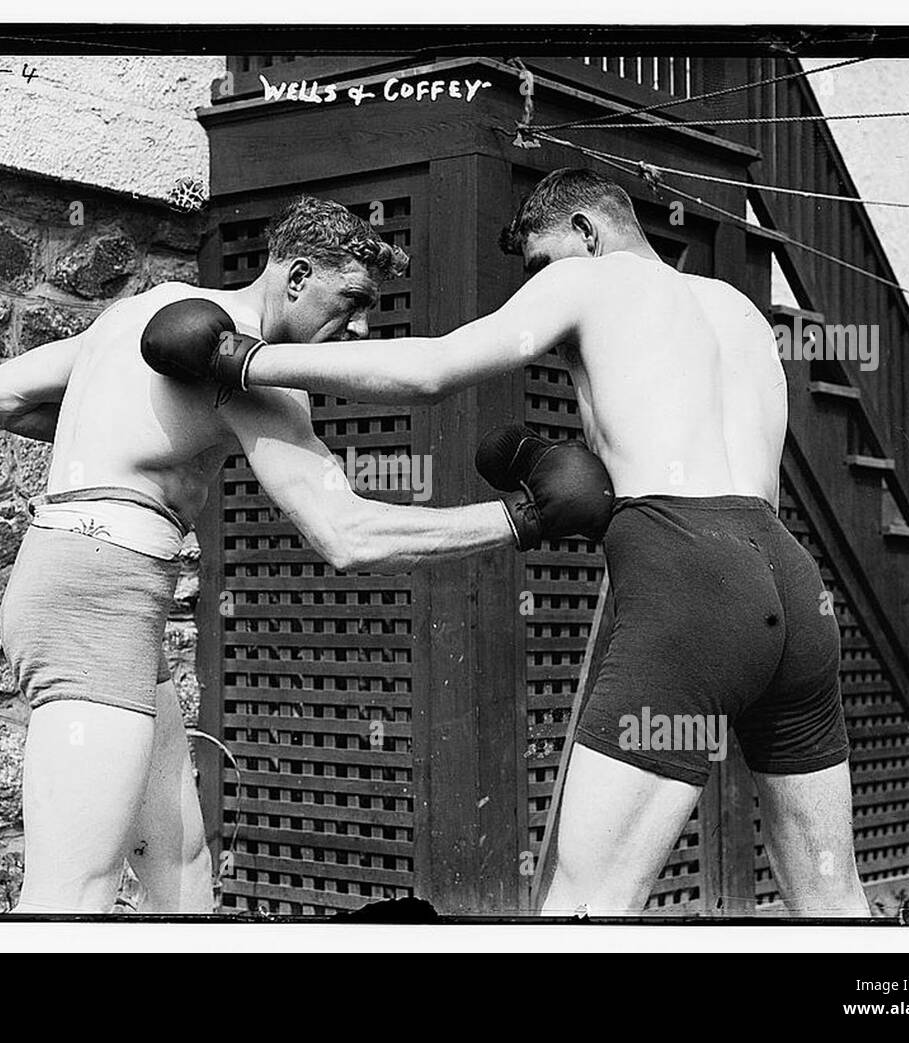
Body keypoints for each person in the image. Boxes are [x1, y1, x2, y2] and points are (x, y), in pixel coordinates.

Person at [156, 168, 871, 917]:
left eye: (538, 264)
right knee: (830, 893)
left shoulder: (593, 279)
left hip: (688, 576)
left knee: (588, 904)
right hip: (787, 582)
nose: (535, 284)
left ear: (588, 233)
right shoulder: (741, 312)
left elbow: (433, 371)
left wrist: (242, 360)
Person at [0, 194, 610, 913]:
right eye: (353, 300)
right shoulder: (249, 371)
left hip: (83, 580)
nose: (361, 324)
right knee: (70, 891)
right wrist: (520, 519)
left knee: (178, 859)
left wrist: (136, 438)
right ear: (297, 276)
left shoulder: (149, 311)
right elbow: (347, 536)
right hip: (97, 596)